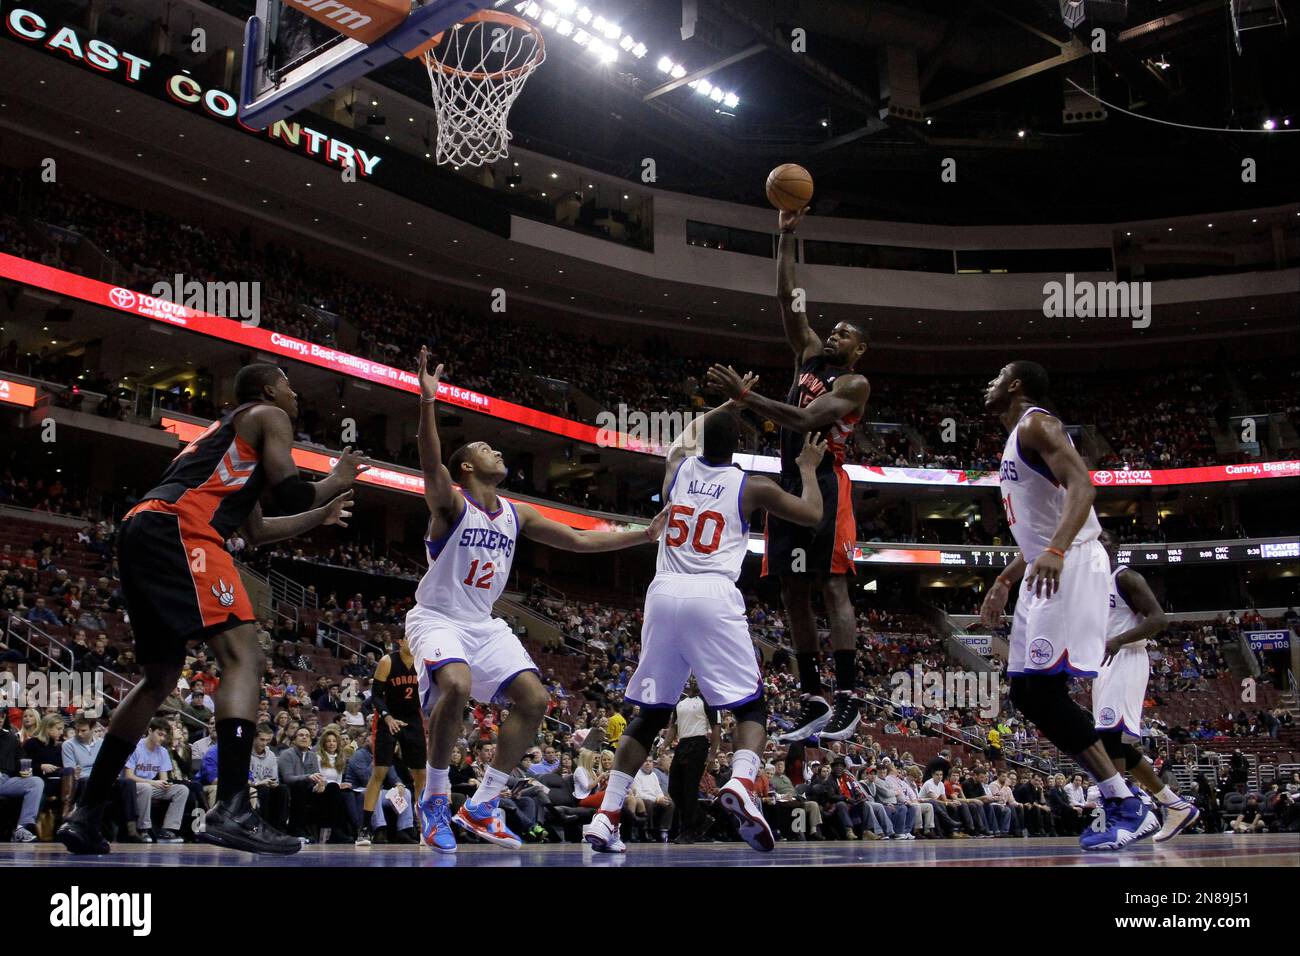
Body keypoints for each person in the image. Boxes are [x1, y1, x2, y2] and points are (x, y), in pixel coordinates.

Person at [58, 362, 362, 856]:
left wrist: (322, 514)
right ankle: (234, 806)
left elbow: (258, 531)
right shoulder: (268, 414)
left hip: (144, 527)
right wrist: (335, 479)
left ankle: (87, 812)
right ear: (267, 389)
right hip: (182, 529)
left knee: (159, 677)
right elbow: (291, 489)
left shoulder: (230, 446)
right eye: (288, 383)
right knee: (244, 656)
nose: (295, 394)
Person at [409, 348, 667, 854]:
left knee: (534, 700)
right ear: (467, 466)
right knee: (456, 684)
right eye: (486, 448)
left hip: (481, 623)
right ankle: (435, 799)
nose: (498, 452)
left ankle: (482, 805)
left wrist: (643, 534)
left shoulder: (516, 513)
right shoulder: (450, 503)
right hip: (437, 617)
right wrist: (426, 404)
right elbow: (429, 461)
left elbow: (579, 540)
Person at [581, 393, 829, 854]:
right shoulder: (750, 485)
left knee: (651, 715)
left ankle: (606, 815)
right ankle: (739, 780)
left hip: (663, 592)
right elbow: (813, 514)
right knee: (752, 707)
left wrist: (727, 401)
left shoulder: (678, 472)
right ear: (737, 448)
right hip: (712, 594)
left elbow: (679, 444)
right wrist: (811, 468)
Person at [706, 206, 870, 744]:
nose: (836, 334)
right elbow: (786, 297)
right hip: (786, 480)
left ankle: (848, 697)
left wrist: (748, 397)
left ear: (857, 351)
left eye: (846, 334)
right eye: (835, 328)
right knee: (792, 592)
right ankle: (813, 697)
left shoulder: (854, 384)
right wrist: (784, 237)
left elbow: (803, 418)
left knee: (832, 587)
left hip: (824, 482)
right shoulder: (805, 354)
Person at [978, 361, 1158, 852]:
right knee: (1028, 694)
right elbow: (1039, 525)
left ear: (1016, 385)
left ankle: (1126, 803)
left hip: (1072, 562)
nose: (987, 383)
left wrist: (1056, 551)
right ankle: (1120, 798)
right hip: (1047, 566)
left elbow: (1084, 487)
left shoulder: (1038, 423)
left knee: (1041, 689)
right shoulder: (1019, 436)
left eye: (997, 376)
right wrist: (1004, 578)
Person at [1094, 533, 1200, 843]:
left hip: (1127, 657)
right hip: (1104, 662)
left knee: (1108, 737)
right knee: (1117, 743)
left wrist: (1119, 640)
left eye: (1101, 542)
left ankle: (1123, 815)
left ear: (1111, 549)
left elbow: (1159, 619)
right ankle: (1175, 805)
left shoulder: (1125, 577)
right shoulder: (1090, 585)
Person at [357, 634, 426, 846]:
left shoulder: (423, 663)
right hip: (388, 717)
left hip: (413, 718)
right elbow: (376, 696)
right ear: (401, 642)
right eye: (409, 640)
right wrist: (387, 716)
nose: (413, 644)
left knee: (420, 775)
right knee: (379, 771)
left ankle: (424, 829)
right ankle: (365, 829)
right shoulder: (388, 661)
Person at [125, 718, 187, 844]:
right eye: (160, 734)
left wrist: (165, 784)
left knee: (182, 790)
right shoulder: (136, 747)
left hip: (150, 786)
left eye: (164, 735)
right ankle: (144, 829)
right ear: (150, 731)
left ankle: (168, 830)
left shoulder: (163, 751)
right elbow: (128, 776)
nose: (162, 738)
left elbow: (163, 778)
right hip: (133, 787)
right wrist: (153, 782)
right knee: (146, 788)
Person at [0, 717, 44, 841]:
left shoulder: (11, 738)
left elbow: (21, 761)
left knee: (36, 782)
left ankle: (22, 828)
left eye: (2, 716)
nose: (0, 719)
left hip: (6, 779)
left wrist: (26, 770)